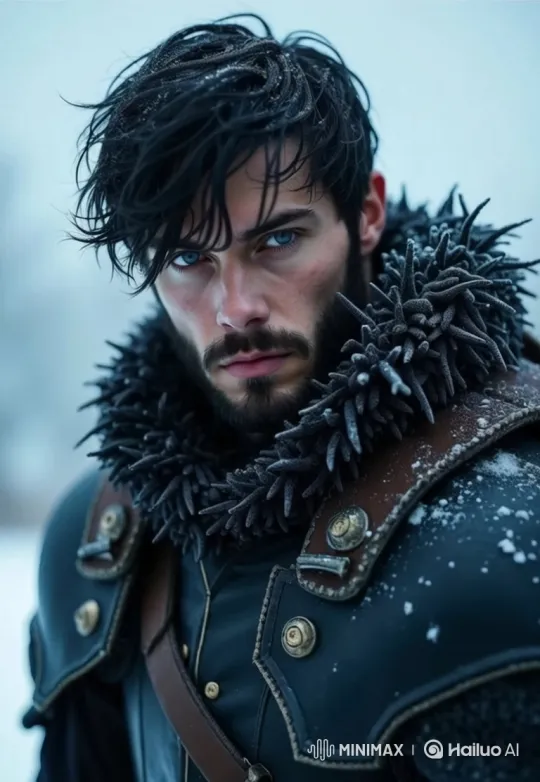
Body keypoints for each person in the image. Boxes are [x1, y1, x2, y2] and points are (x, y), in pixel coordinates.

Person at [22, 14, 540, 782]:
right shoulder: (102, 548)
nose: (236, 309)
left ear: (364, 213)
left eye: (277, 240)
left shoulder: (520, 516)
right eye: (189, 257)